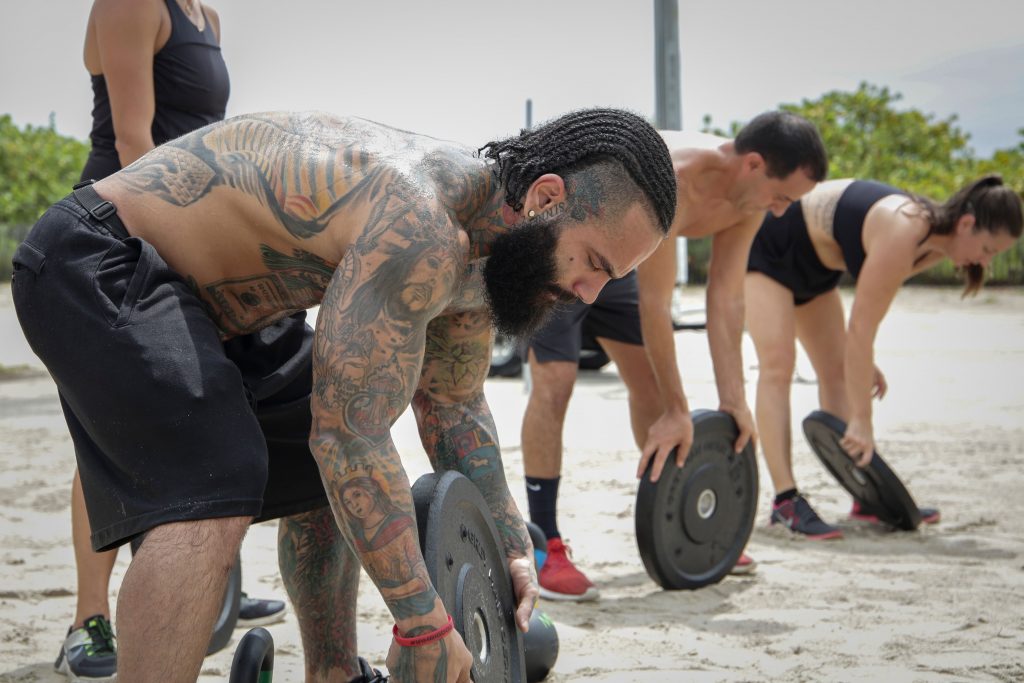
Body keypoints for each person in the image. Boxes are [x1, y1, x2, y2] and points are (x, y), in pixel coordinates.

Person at [11, 107, 678, 682]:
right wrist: (420, 619)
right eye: (595, 263)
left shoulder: (486, 255)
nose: (589, 295)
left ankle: (332, 669)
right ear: (547, 198)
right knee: (219, 478)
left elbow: (453, 408)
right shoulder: (421, 222)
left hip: (214, 310)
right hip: (99, 257)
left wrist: (508, 547)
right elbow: (348, 433)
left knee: (317, 471)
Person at [57, 2, 285, 679]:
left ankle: (210, 592)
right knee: (110, 425)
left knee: (211, 407)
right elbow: (134, 142)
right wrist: (192, 251)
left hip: (192, 225)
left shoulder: (206, 14)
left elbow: (203, 137)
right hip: (117, 230)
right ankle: (88, 618)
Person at [520, 111, 828, 601]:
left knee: (652, 391)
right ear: (753, 165)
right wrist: (682, 410)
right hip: (572, 245)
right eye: (782, 196)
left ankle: (676, 518)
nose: (777, 211)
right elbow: (656, 303)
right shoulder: (675, 175)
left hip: (627, 261)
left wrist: (735, 402)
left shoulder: (747, 200)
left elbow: (725, 300)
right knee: (556, 383)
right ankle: (544, 545)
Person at [745, 175, 1023, 539]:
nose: (984, 262)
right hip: (772, 244)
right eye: (987, 249)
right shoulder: (905, 230)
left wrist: (861, 362)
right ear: (967, 224)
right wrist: (861, 420)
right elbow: (861, 330)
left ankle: (863, 493)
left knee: (838, 372)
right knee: (778, 367)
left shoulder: (932, 245)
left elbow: (863, 323)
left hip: (817, 269)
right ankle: (785, 502)